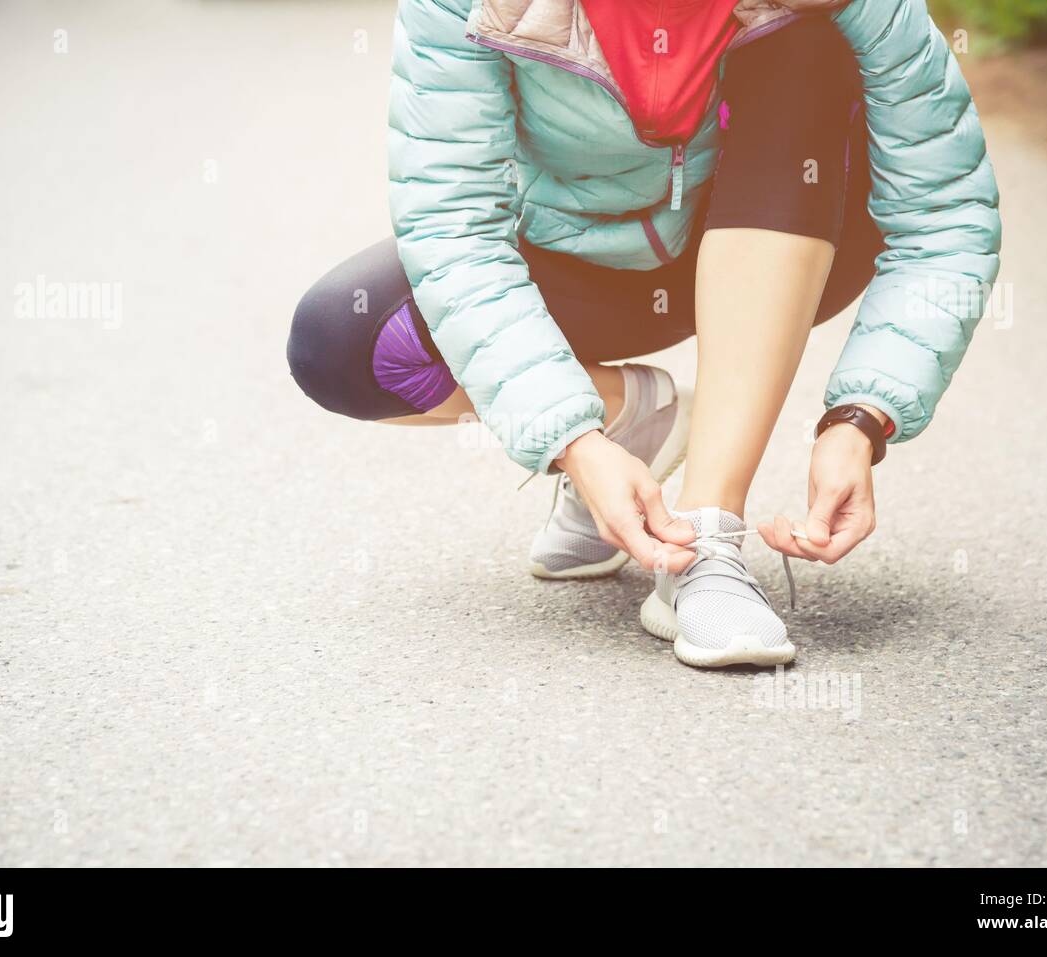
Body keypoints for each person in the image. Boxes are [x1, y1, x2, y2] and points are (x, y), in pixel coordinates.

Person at [287, 0, 1001, 668]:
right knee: (345, 342)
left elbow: (948, 215)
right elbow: (453, 230)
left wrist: (862, 417)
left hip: (787, 236)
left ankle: (708, 538)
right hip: (585, 260)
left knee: (803, 39)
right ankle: (637, 418)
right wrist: (575, 438)